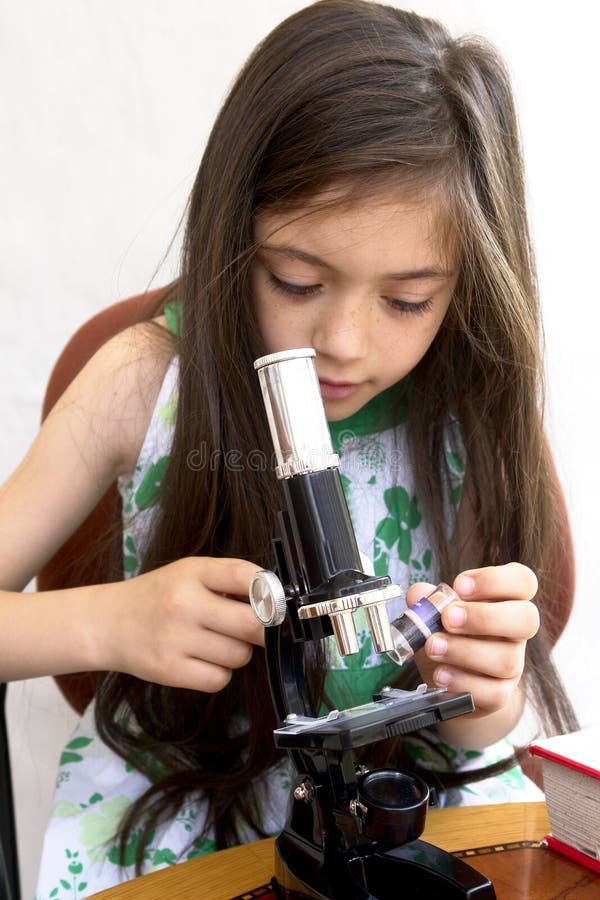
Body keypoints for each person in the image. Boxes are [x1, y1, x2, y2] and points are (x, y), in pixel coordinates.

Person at [0, 0, 579, 894]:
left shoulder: (467, 405)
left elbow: (471, 732)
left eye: (407, 300)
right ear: (237, 236)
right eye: (298, 280)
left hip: (413, 806)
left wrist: (482, 686)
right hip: (188, 821)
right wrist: (108, 622)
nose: (342, 342)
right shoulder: (142, 380)